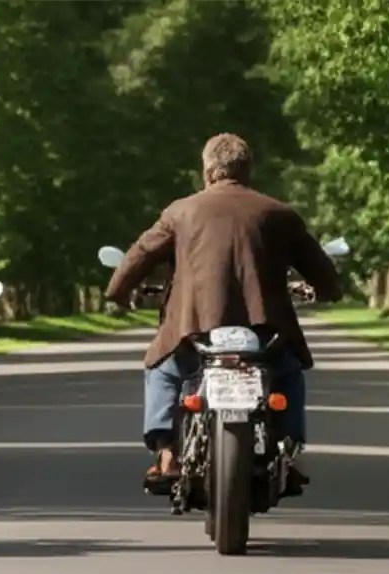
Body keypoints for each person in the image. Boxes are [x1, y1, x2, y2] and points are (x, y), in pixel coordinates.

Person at [104, 133, 341, 487]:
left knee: (162, 372)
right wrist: (327, 290)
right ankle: (287, 451)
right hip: (264, 332)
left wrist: (119, 292)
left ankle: (167, 453)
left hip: (194, 330)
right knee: (289, 373)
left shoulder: (180, 211)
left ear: (208, 170)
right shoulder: (279, 214)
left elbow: (142, 253)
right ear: (248, 170)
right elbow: (319, 267)